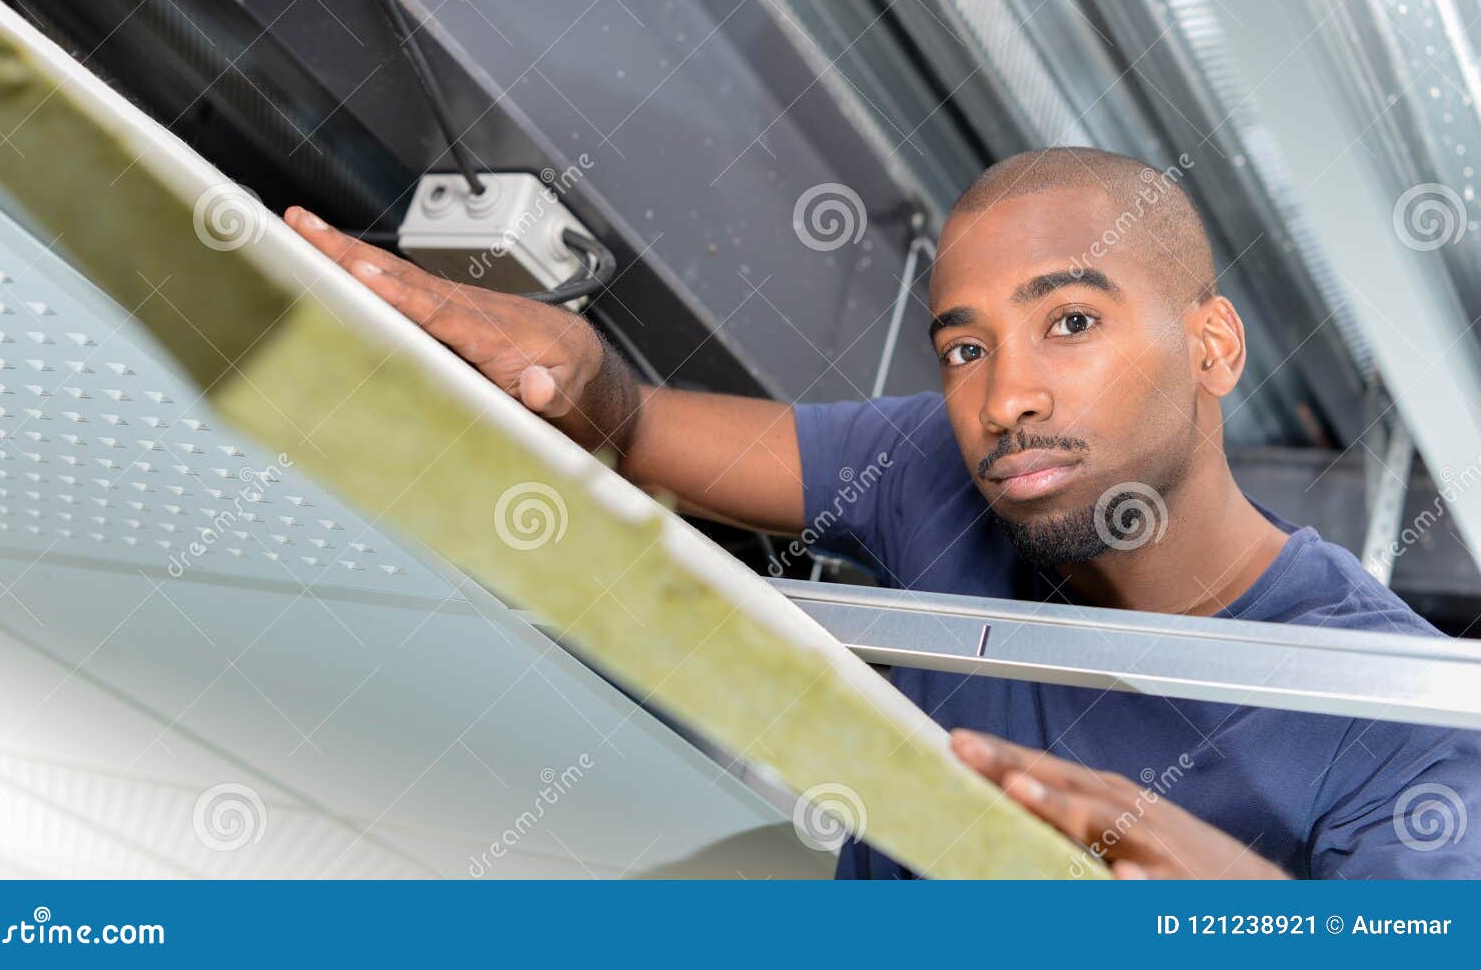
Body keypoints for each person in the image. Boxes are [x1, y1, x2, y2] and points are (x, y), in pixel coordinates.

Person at [283, 146, 1481, 879]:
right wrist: (580, 371)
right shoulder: (930, 465)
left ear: (1211, 345)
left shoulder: (1401, 721)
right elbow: (635, 430)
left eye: (1070, 322)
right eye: (964, 347)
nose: (1004, 399)